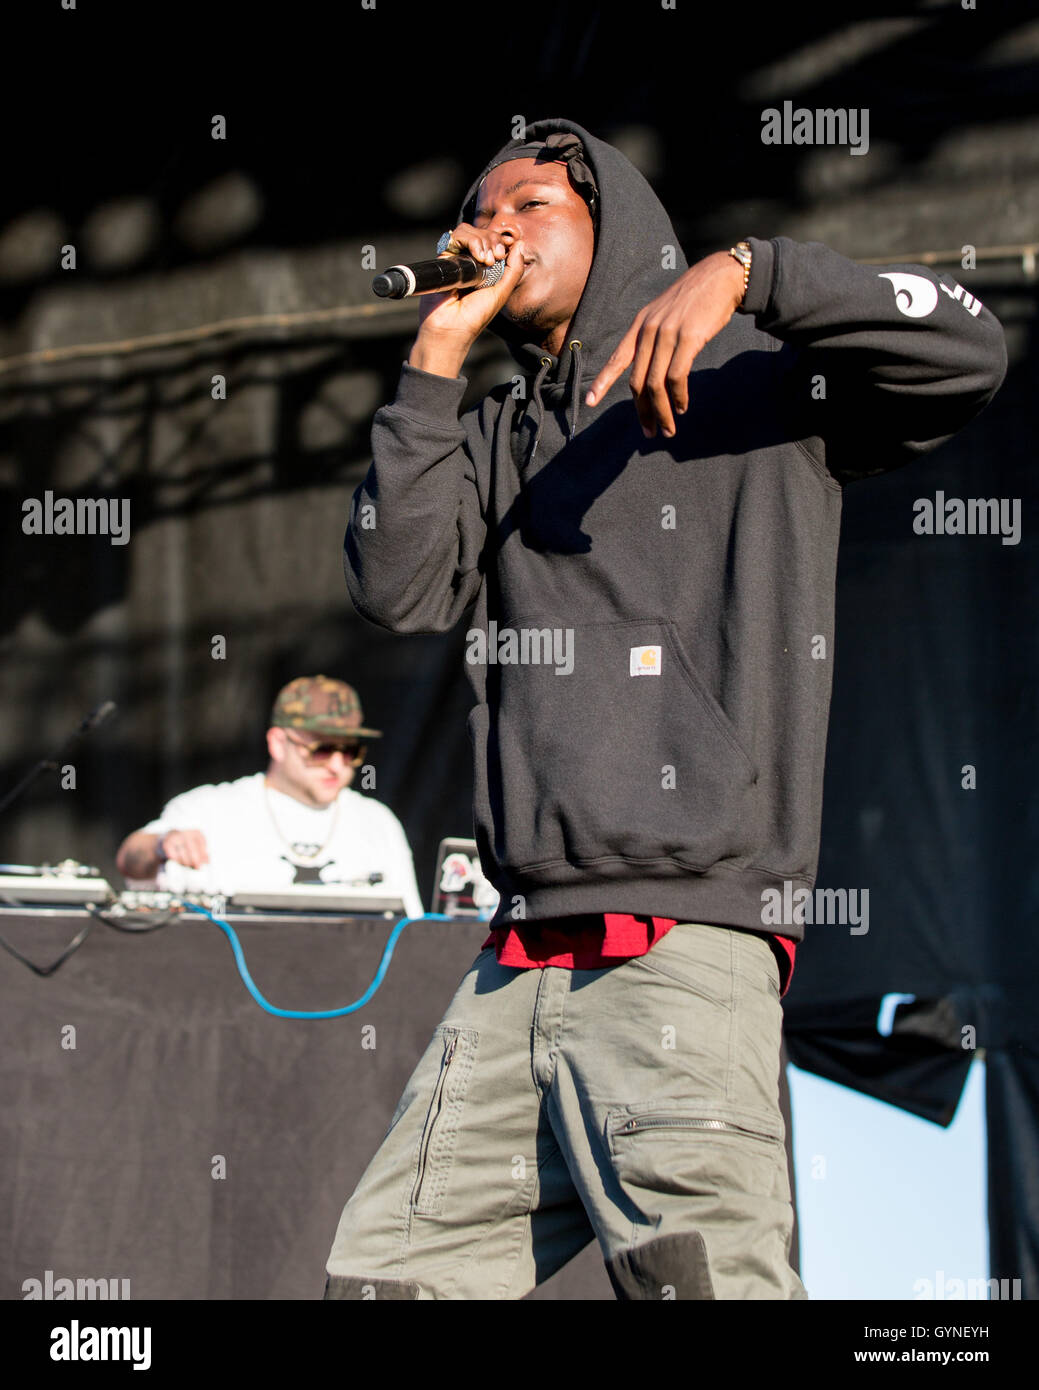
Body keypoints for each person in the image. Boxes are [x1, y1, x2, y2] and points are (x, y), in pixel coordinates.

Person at [323, 119, 1007, 1300]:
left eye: (527, 205)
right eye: (477, 212)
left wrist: (754, 270)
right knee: (382, 1282)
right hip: (514, 966)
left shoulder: (757, 374)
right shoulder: (496, 436)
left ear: (612, 220)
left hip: (679, 951)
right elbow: (394, 587)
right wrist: (434, 361)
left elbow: (967, 346)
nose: (491, 229)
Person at [115, 675, 424, 917]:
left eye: (350, 751)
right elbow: (130, 859)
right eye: (322, 749)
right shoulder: (209, 808)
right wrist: (162, 844)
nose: (336, 764)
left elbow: (411, 929)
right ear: (278, 743)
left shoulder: (377, 821)